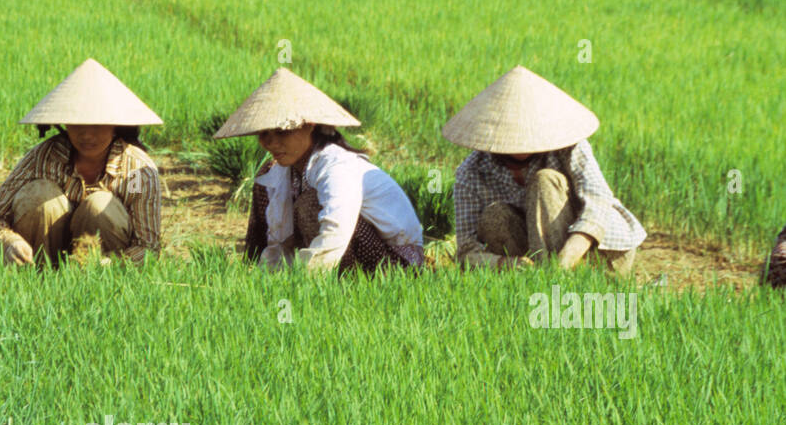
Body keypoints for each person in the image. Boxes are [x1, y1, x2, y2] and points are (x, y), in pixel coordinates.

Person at [214, 68, 424, 273]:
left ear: (310, 125)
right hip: (345, 250)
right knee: (265, 180)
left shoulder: (337, 166)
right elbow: (280, 239)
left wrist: (304, 283)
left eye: (280, 132)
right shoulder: (283, 172)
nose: (270, 143)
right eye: (263, 133)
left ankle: (344, 285)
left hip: (395, 263)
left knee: (309, 205)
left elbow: (336, 232)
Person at [443, 65, 645, 275]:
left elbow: (598, 203)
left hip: (599, 254)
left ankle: (559, 278)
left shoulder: (569, 146)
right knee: (496, 216)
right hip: (534, 251)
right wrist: (507, 264)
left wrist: (564, 262)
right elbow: (466, 251)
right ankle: (541, 279)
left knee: (545, 181)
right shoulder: (471, 171)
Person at [0, 59, 163, 266]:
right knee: (40, 194)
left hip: (104, 272)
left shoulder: (138, 170)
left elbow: (148, 246)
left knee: (99, 206)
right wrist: (9, 243)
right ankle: (39, 278)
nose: (86, 135)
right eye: (77, 124)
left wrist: (110, 265)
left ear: (115, 126)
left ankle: (92, 282)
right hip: (40, 261)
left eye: (97, 125)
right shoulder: (44, 157)